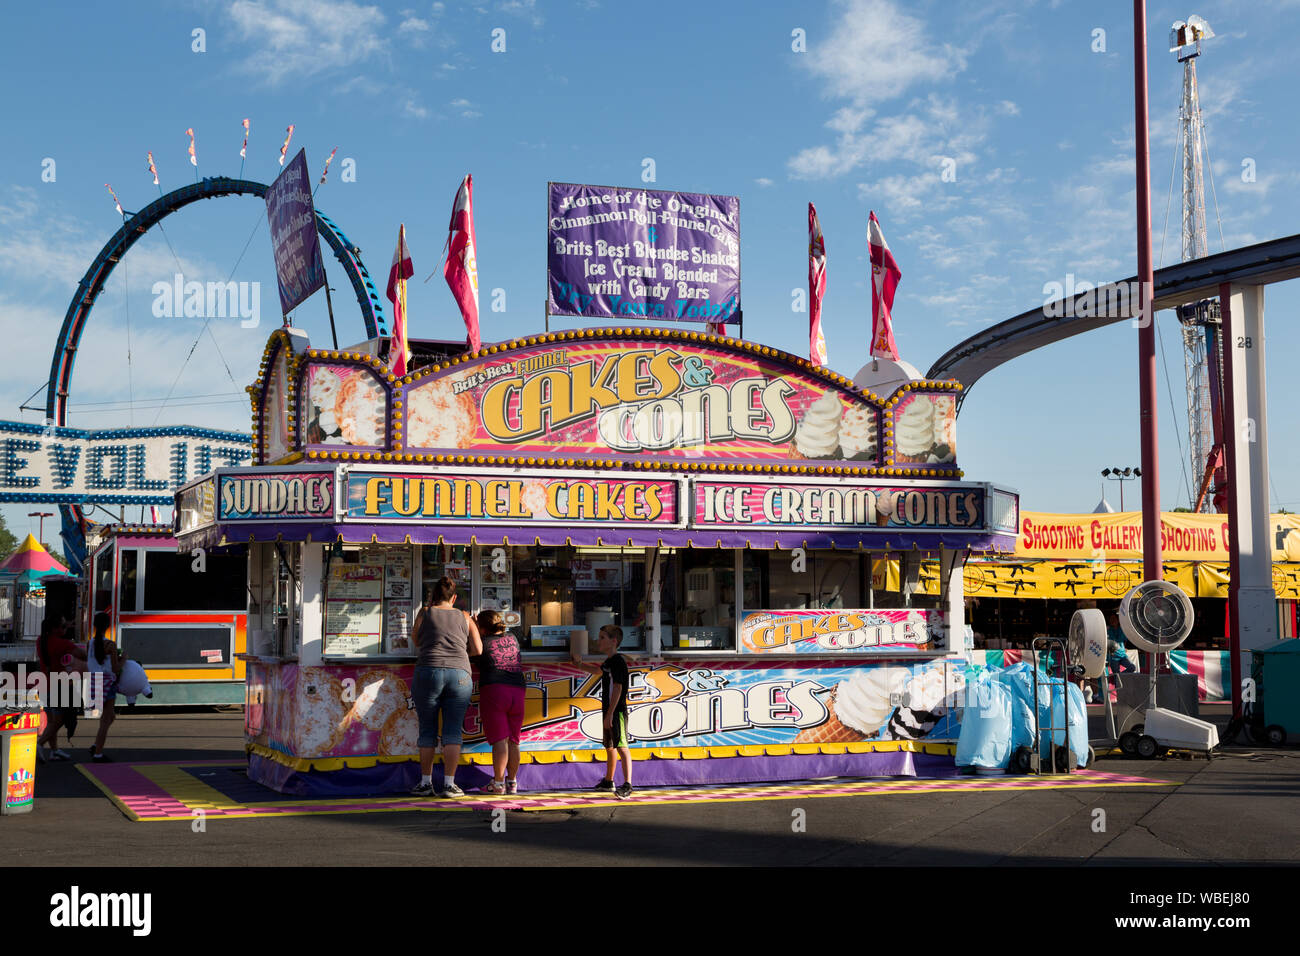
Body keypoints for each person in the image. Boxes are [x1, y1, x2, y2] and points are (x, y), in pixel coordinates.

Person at [409, 577, 481, 798]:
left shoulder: (425, 613)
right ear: (454, 597)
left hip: (428, 671)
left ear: (433, 595)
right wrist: (459, 654)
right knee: (452, 731)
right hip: (459, 674)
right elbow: (478, 649)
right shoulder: (464, 616)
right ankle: (449, 784)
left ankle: (425, 783)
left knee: (427, 730)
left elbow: (416, 641)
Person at [575, 624, 633, 799]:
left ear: (613, 641)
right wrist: (579, 665)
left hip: (617, 711)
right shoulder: (609, 661)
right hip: (609, 710)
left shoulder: (618, 662)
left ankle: (628, 784)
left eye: (602, 638)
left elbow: (618, 688)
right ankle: (609, 780)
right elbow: (598, 671)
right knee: (609, 746)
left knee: (621, 745)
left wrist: (610, 714)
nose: (598, 641)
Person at [472, 609, 526, 794]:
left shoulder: (482, 643)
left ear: (483, 629)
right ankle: (512, 782)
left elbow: (474, 654)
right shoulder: (513, 637)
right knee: (514, 740)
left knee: (500, 741)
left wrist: (472, 628)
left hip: (495, 690)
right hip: (518, 690)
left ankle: (497, 784)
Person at [35, 616, 85, 763]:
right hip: (59, 685)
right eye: (63, 626)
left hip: (44, 684)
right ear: (55, 629)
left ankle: (54, 751)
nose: (65, 628)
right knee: (60, 720)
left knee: (51, 720)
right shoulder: (63, 644)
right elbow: (83, 655)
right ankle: (39, 744)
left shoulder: (41, 641)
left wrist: (64, 626)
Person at [85, 611, 123, 762]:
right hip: (107, 682)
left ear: (94, 625)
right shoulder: (111, 645)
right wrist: (124, 659)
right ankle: (98, 753)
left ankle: (96, 745)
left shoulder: (90, 643)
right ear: (108, 626)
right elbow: (115, 668)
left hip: (94, 681)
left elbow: (92, 661)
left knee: (110, 716)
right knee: (106, 719)